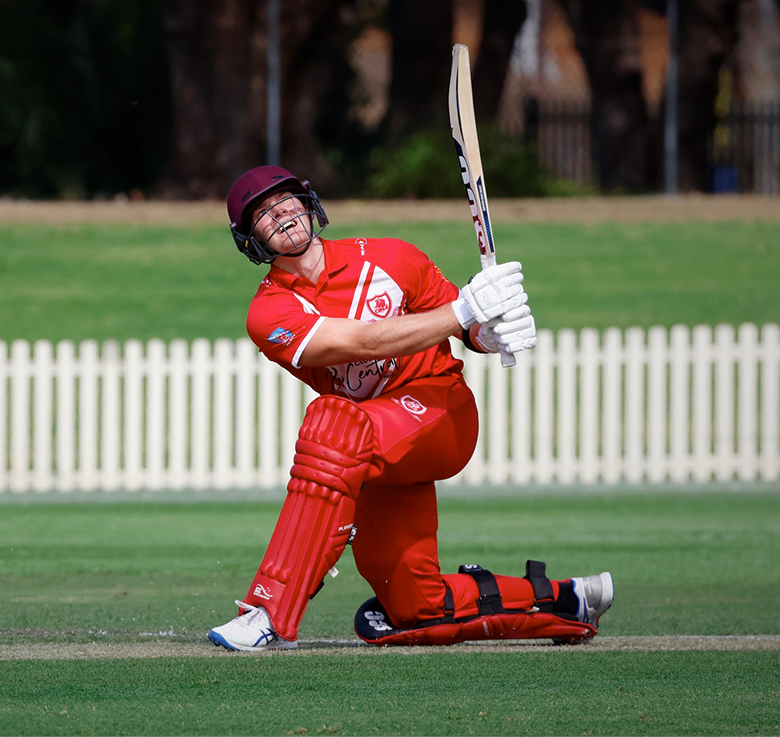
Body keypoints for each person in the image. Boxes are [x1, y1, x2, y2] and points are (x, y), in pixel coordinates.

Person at [208, 165, 614, 651]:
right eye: (264, 213)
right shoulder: (268, 313)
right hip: (371, 451)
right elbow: (358, 341)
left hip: (439, 412)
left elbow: (465, 332)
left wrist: (491, 330)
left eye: (288, 200)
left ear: (310, 204)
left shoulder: (392, 257)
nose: (282, 215)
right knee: (415, 608)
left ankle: (269, 613)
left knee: (333, 422)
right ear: (249, 239)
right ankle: (565, 601)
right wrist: (463, 311)